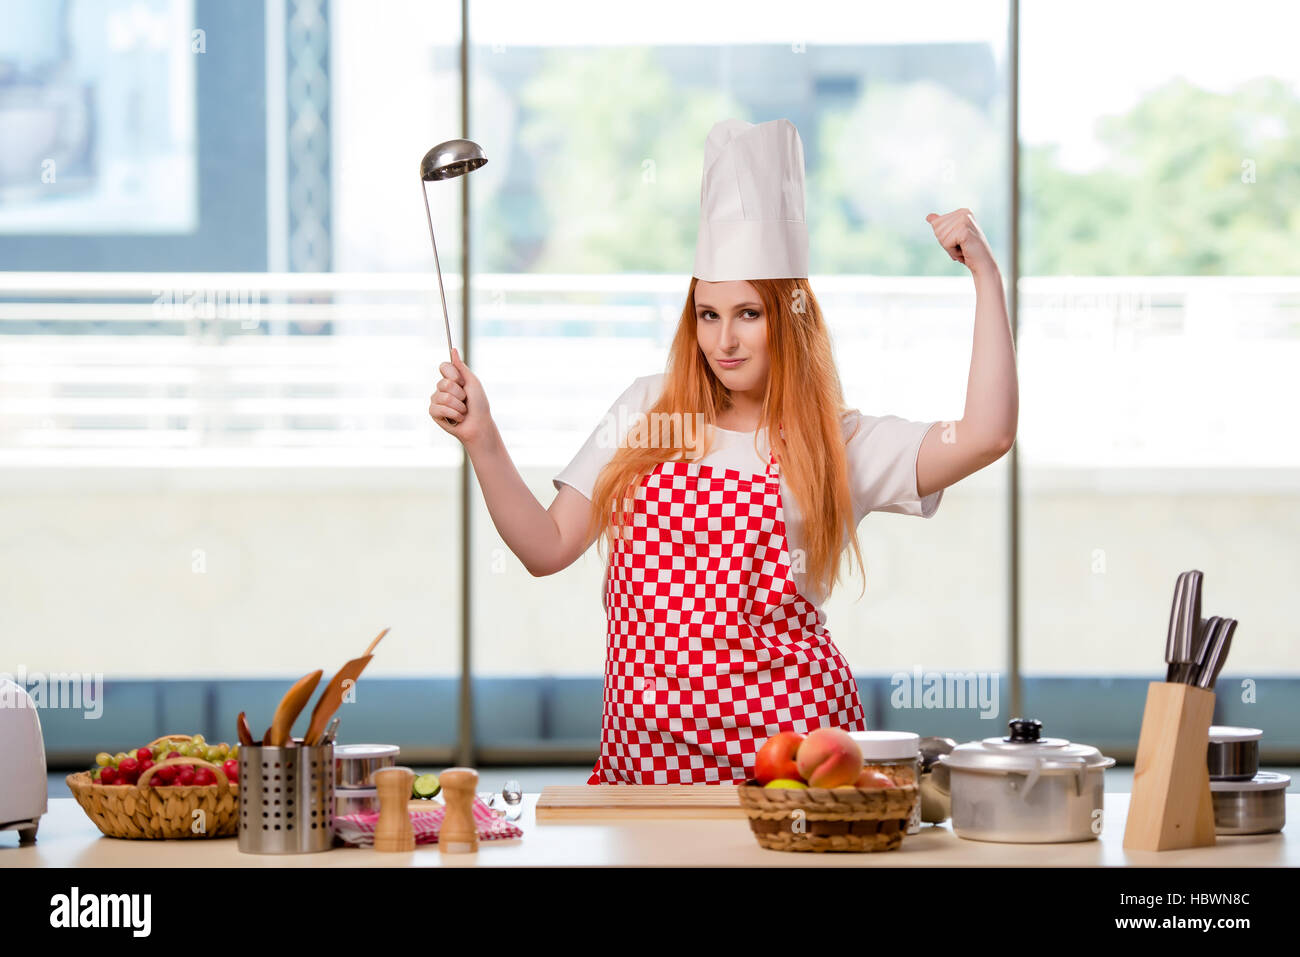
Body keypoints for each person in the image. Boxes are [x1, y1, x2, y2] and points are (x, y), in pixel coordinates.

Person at [429, 118, 1018, 784]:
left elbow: (987, 433)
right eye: (708, 315)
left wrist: (986, 277)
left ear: (789, 318)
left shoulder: (838, 442)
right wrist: (482, 437)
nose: (724, 341)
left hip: (793, 762)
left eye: (748, 314)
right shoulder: (646, 408)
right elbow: (545, 546)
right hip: (646, 761)